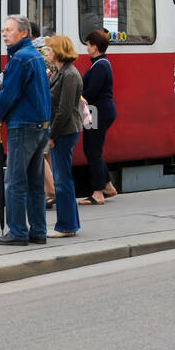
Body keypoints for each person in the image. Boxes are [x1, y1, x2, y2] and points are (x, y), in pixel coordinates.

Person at [0, 15, 52, 246]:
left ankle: (17, 231)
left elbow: (9, 92)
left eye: (9, 30)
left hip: (23, 125)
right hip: (40, 125)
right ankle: (39, 231)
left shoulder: (19, 59)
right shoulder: (35, 56)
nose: (4, 33)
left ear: (23, 33)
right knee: (36, 183)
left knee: (15, 181)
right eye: (3, 29)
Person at [44, 34, 83, 237]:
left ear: (59, 51)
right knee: (63, 178)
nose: (47, 52)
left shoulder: (69, 75)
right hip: (64, 130)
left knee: (62, 180)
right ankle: (71, 224)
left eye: (50, 49)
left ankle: (66, 226)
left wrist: (52, 134)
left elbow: (64, 109)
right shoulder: (61, 72)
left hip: (65, 131)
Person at [79, 28, 118, 206]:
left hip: (97, 113)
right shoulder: (101, 63)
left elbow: (90, 92)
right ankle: (108, 186)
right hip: (100, 112)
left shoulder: (100, 65)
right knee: (95, 150)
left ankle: (98, 193)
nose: (86, 48)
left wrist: (77, 96)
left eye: (88, 45)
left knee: (92, 150)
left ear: (94, 47)